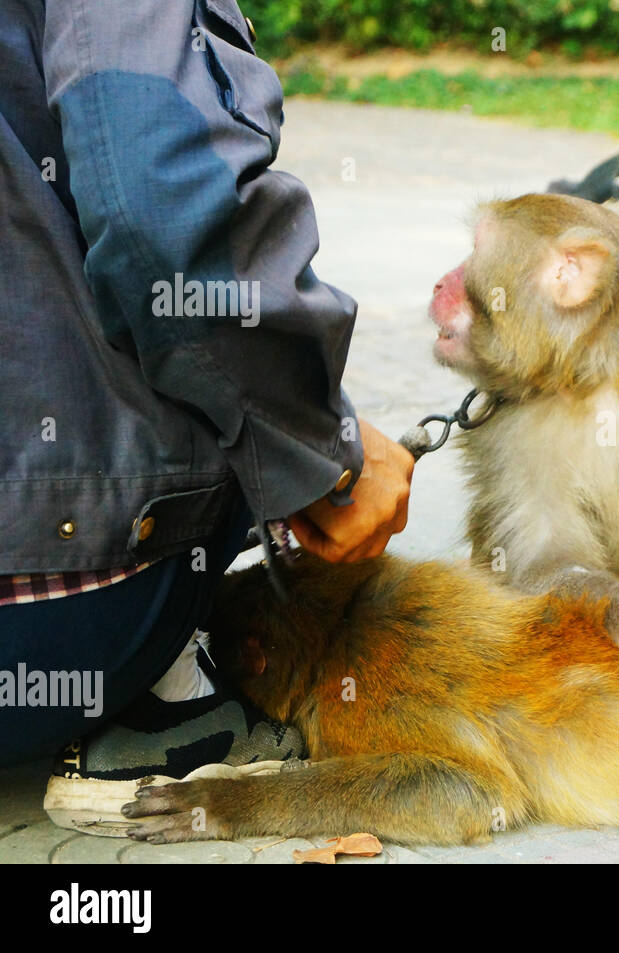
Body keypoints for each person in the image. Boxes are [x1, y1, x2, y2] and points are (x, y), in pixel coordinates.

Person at [0, 0, 414, 830]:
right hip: (37, 632)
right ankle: (170, 700)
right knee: (236, 416)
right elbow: (164, 212)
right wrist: (318, 444)